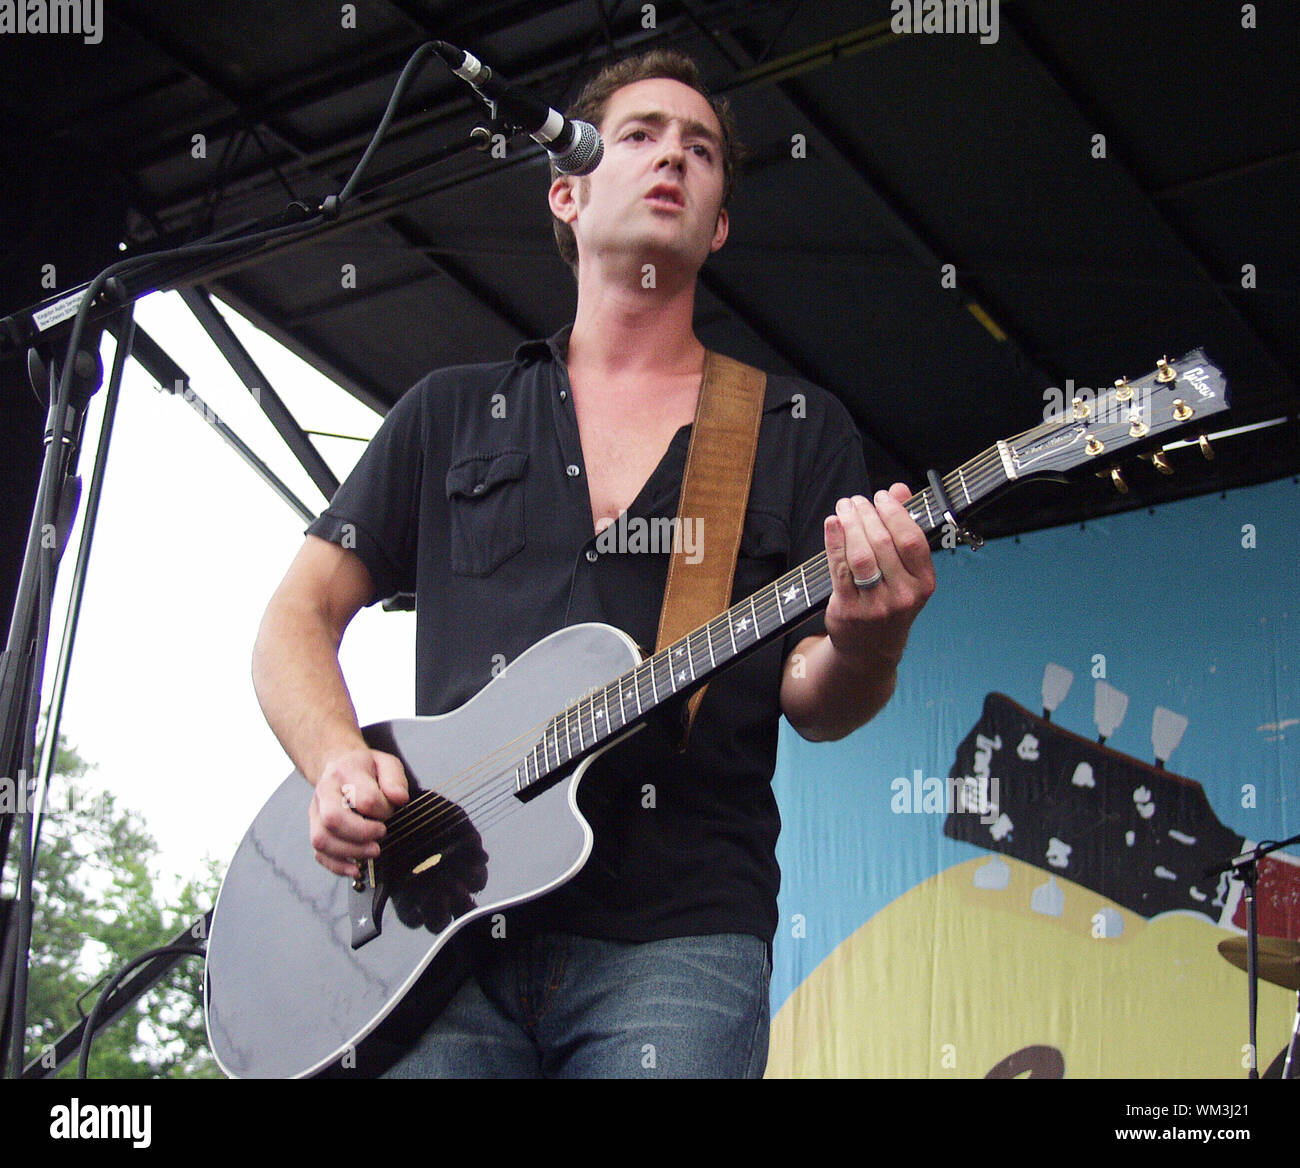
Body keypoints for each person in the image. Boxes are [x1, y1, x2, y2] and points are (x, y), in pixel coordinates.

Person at [251, 48, 935, 1078]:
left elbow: (812, 696)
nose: (673, 157)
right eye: (641, 135)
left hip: (677, 934)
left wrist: (867, 643)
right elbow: (295, 618)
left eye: (700, 150)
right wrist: (336, 760)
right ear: (566, 192)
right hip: (435, 930)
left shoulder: (793, 426)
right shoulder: (447, 409)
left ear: (717, 225)